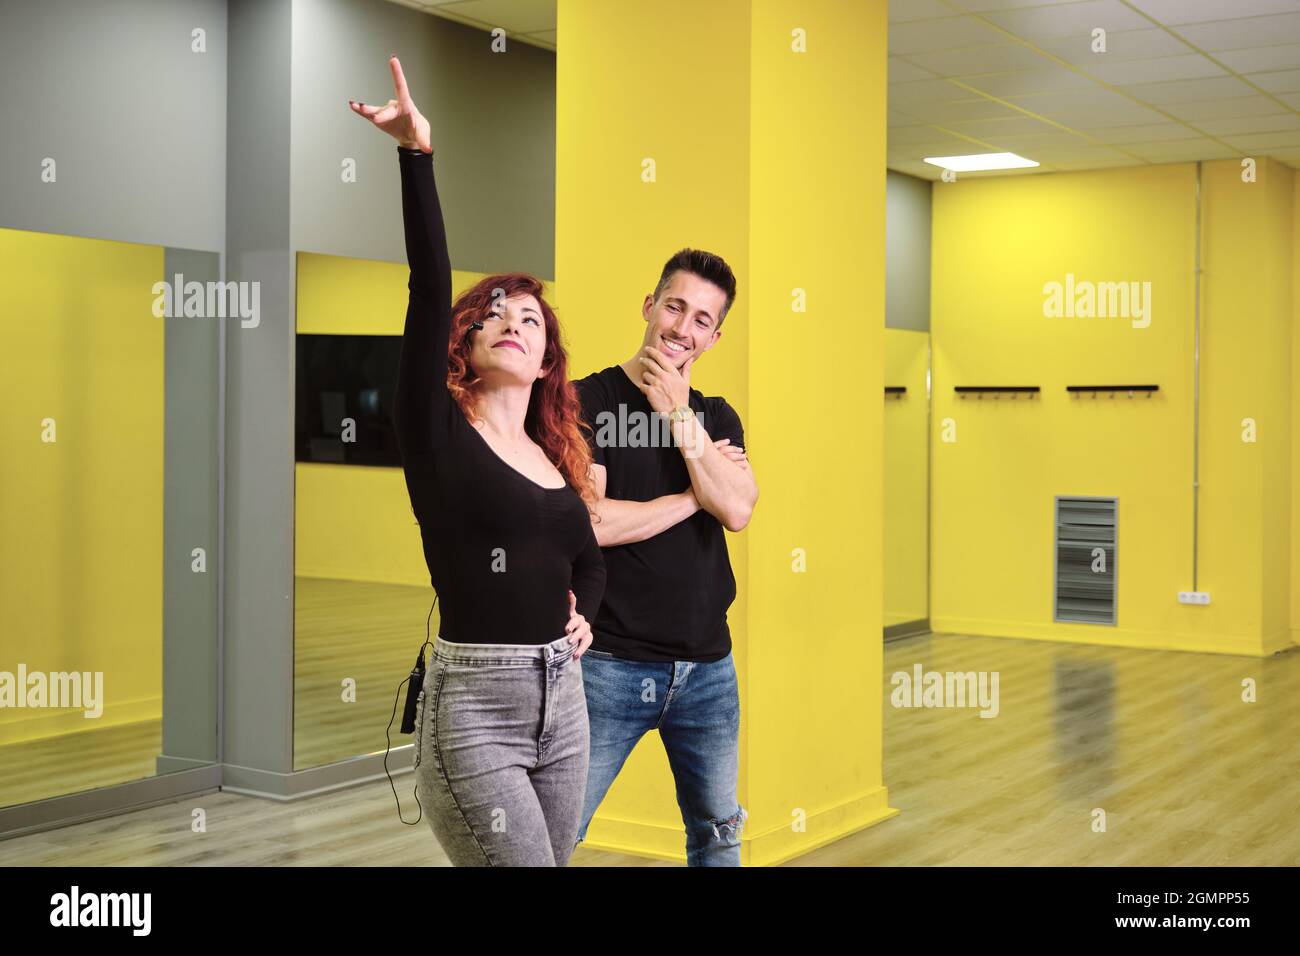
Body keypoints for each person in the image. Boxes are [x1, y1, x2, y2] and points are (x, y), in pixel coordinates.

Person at [350, 56, 604, 867]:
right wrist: (415, 156)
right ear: (465, 340)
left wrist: (585, 615)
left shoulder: (550, 454)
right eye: (493, 314)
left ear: (544, 360)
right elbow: (430, 286)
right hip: (475, 706)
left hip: (564, 700)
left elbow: (587, 555)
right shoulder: (436, 434)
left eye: (530, 319)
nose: (512, 322)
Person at [573, 249, 758, 866]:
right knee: (552, 831)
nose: (683, 328)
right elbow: (591, 523)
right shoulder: (584, 403)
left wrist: (679, 415)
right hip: (608, 665)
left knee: (718, 836)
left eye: (702, 320)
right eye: (675, 307)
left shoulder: (714, 415)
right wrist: (691, 496)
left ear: (715, 335)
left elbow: (735, 509)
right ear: (649, 306)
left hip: (709, 669)